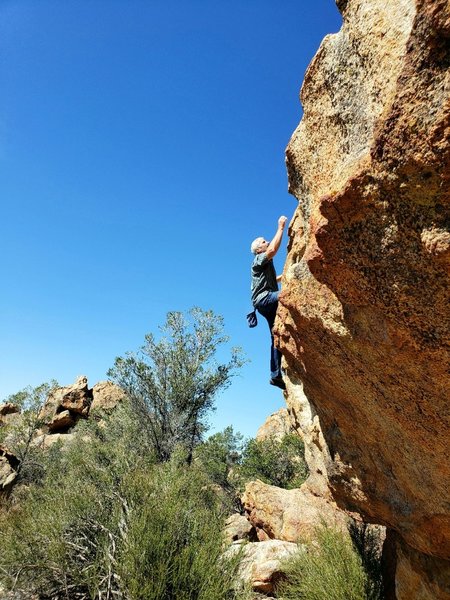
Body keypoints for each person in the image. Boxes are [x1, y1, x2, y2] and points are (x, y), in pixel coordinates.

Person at [250, 215, 287, 390]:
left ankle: (275, 375)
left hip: (264, 300)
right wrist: (280, 227)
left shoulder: (265, 266)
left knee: (276, 335)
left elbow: (274, 279)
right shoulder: (258, 260)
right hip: (264, 299)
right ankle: (275, 373)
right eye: (264, 241)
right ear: (259, 250)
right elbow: (272, 250)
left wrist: (286, 276)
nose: (267, 242)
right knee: (288, 295)